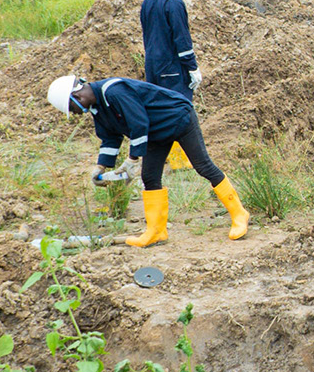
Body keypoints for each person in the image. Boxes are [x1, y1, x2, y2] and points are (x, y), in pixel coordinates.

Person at [46, 74, 249, 246]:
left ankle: (239, 214)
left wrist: (132, 160)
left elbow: (139, 123)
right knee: (150, 177)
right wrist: (101, 166)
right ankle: (156, 231)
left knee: (203, 166)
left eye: (73, 109)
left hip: (178, 118)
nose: (77, 114)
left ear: (77, 96)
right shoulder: (97, 108)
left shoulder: (113, 92)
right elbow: (110, 137)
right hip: (156, 132)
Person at [141, 0, 201, 170]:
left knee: (158, 110)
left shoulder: (147, 2)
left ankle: (162, 156)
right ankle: (179, 160)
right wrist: (192, 67)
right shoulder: (174, 2)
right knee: (180, 109)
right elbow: (182, 40)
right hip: (172, 69)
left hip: (153, 68)